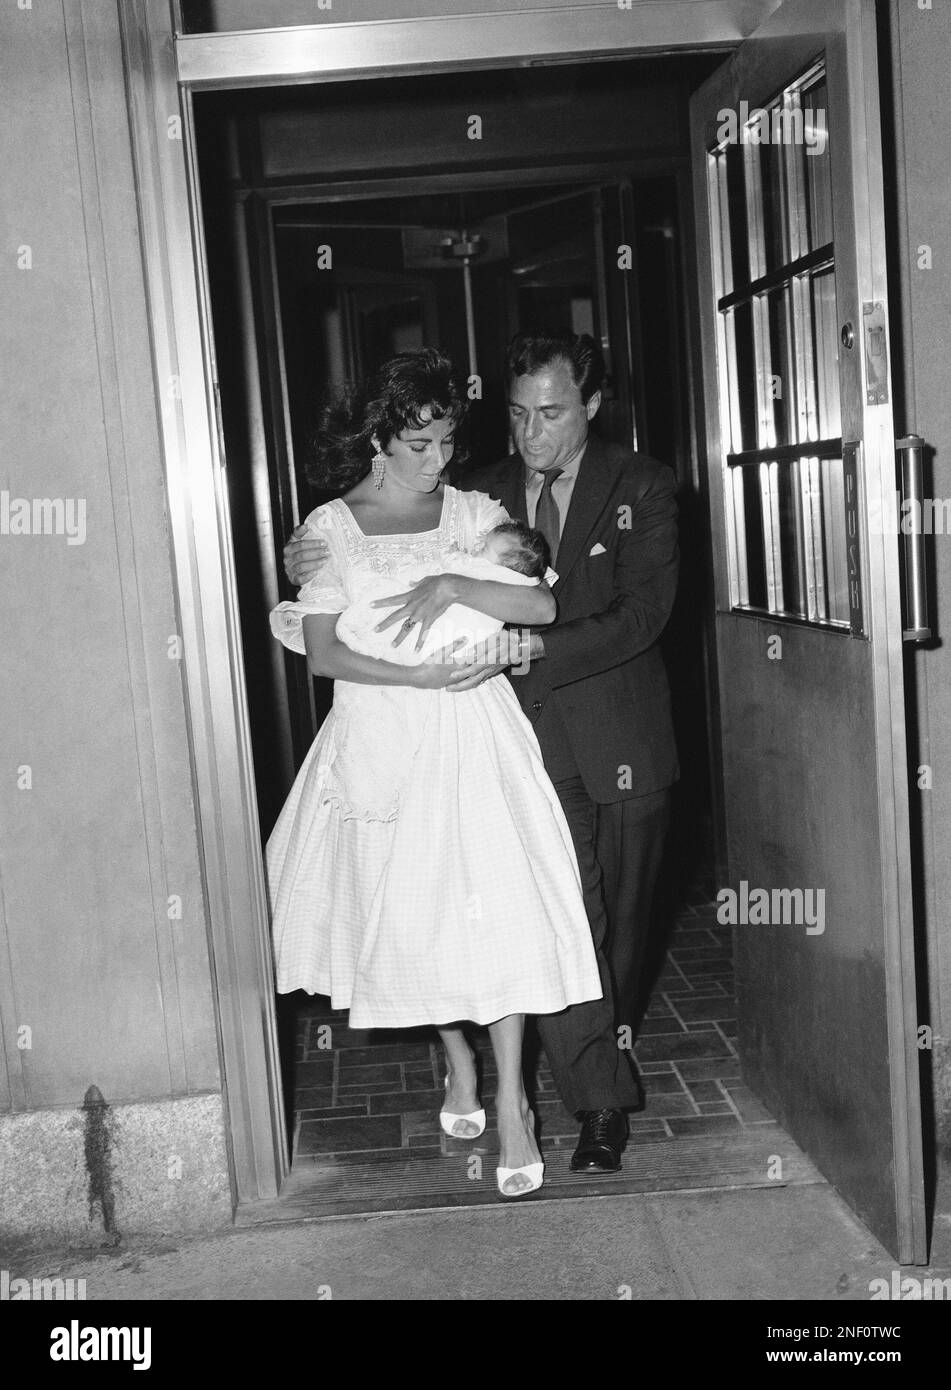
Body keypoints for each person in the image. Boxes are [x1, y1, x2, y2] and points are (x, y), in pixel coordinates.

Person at [285, 330, 679, 1176]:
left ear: (590, 405)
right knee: (448, 916)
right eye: (419, 443)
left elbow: (580, 610)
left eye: (446, 442)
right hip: (408, 741)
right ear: (380, 438)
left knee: (556, 923)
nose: (438, 458)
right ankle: (503, 1078)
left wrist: (463, 592)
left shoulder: (550, 500)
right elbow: (322, 634)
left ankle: (543, 1090)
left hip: (533, 740)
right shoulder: (377, 517)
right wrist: (316, 570)